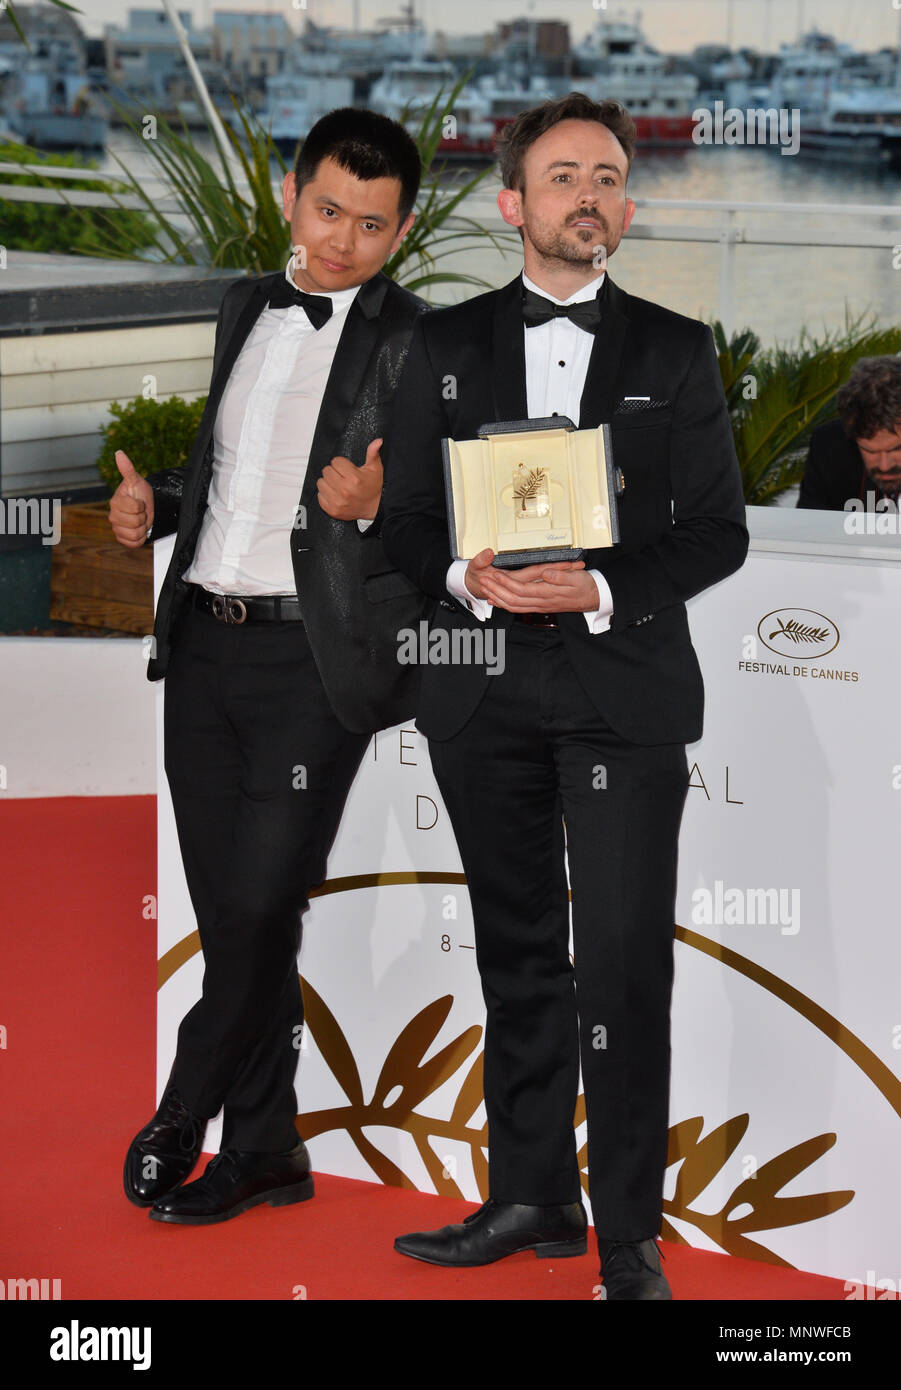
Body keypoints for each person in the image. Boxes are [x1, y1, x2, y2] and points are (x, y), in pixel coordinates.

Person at [380, 92, 749, 1299]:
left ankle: (628, 1231)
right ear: (512, 205)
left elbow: (716, 536)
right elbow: (400, 530)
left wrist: (597, 587)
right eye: (560, 177)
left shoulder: (677, 349)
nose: (585, 195)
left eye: (604, 177)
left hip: (622, 695)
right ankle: (532, 1194)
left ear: (626, 208)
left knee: (626, 964)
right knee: (518, 954)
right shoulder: (435, 348)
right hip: (481, 692)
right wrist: (459, 574)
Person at [109, 108, 427, 1225]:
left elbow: (451, 517)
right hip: (200, 642)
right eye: (328, 208)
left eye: (370, 225)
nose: (340, 241)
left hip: (310, 662)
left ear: (401, 232)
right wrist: (160, 508)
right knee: (241, 919)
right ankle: (268, 1149)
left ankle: (180, 1112)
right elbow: (234, 475)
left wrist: (385, 504)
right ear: (293, 191)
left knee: (252, 905)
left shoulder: (417, 341)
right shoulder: (246, 303)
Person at [798, 356, 901, 510]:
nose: (884, 466)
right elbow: (810, 525)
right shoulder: (829, 446)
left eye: (896, 449)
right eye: (870, 451)